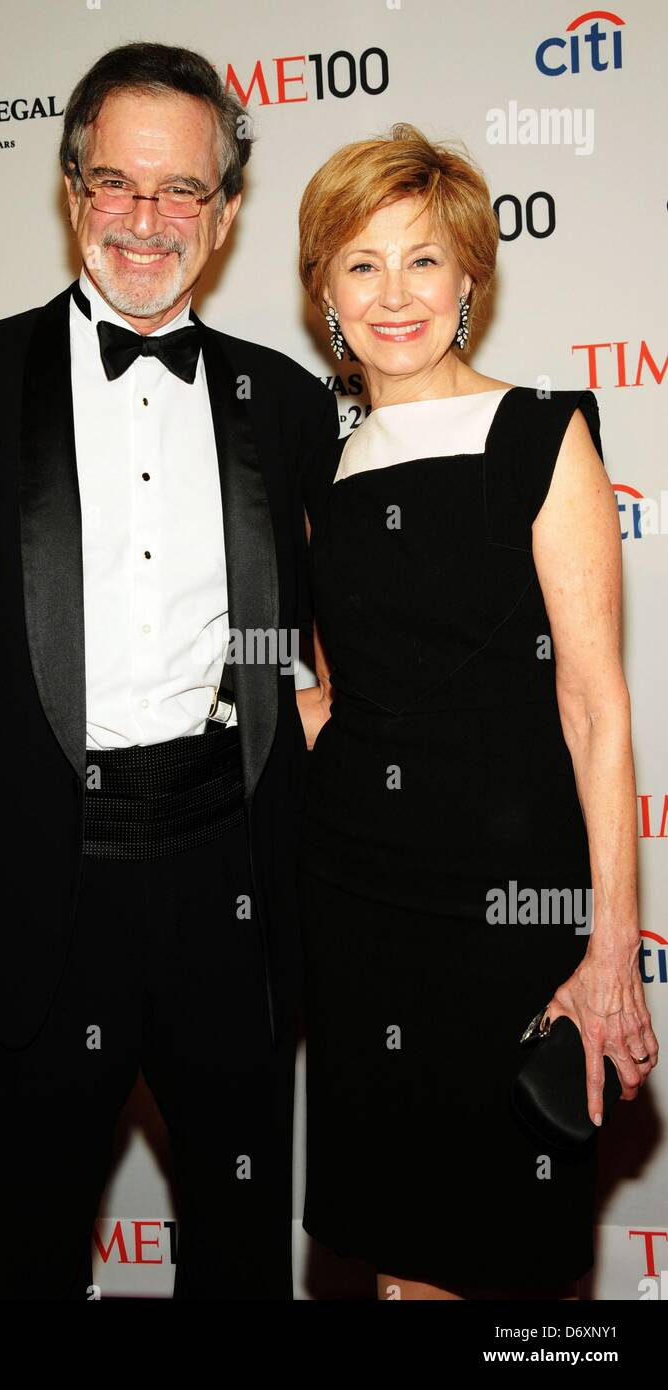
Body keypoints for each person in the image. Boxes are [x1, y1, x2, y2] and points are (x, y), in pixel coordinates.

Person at [0, 42, 339, 1299]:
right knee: (21, 1253)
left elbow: (300, 634)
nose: (145, 221)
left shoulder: (287, 401)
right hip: (27, 887)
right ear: (73, 192)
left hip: (231, 881)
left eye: (182, 193)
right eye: (115, 183)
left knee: (239, 1258)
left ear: (225, 217)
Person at [294, 123, 659, 1301]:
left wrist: (610, 945)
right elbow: (331, 692)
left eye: (423, 260)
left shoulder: (540, 435)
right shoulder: (319, 473)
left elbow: (597, 705)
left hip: (512, 905)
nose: (392, 294)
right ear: (325, 295)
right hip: (360, 901)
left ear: (468, 282)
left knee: (509, 1249)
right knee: (400, 1255)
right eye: (361, 263)